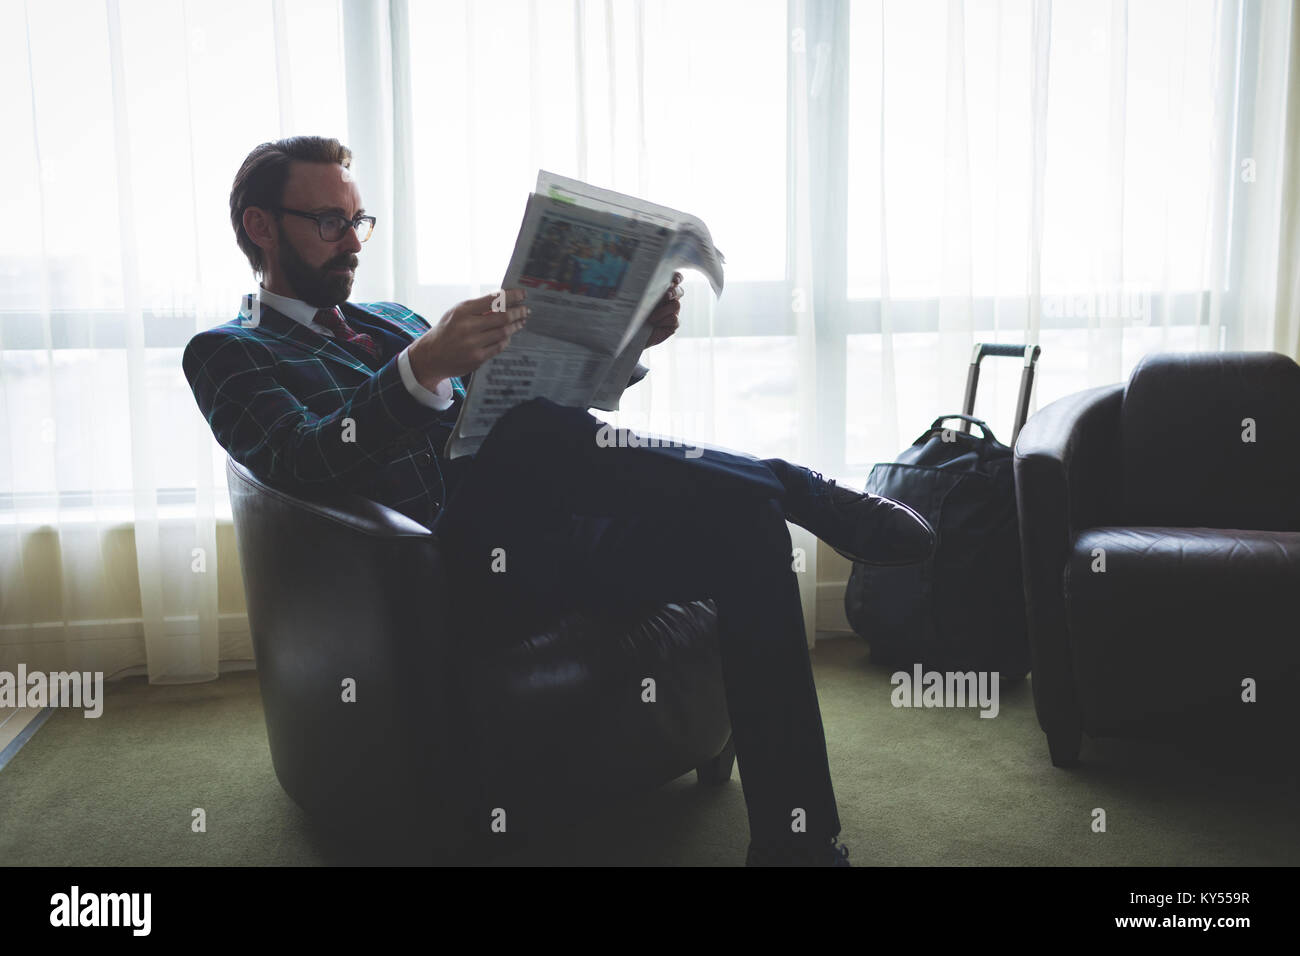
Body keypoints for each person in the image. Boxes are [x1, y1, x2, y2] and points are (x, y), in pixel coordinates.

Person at [184, 135, 935, 867]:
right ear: (260, 226)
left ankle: (795, 842)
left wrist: (627, 343)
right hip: (437, 579)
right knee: (531, 432)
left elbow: (529, 404)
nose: (350, 242)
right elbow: (303, 454)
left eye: (357, 222)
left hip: (553, 542)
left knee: (745, 529)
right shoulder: (231, 351)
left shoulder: (394, 318)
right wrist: (420, 369)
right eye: (328, 223)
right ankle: (801, 487)